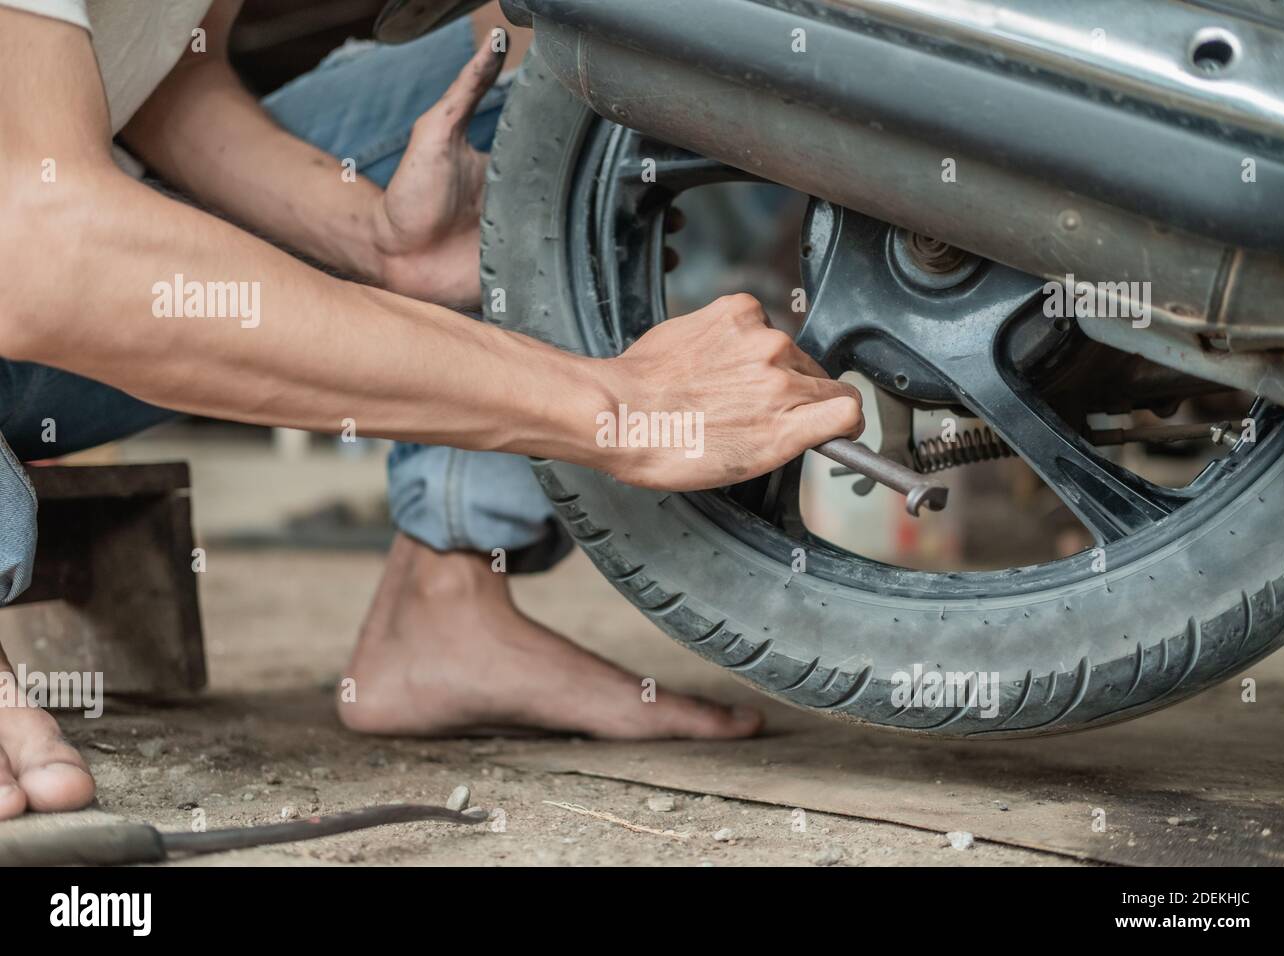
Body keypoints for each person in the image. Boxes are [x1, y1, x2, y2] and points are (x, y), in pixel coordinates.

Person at [0, 0, 863, 820]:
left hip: (57, 244)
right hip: (43, 258)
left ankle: (445, 601)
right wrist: (620, 406)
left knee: (572, 56)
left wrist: (369, 233)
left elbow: (162, 79)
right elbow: (49, 255)